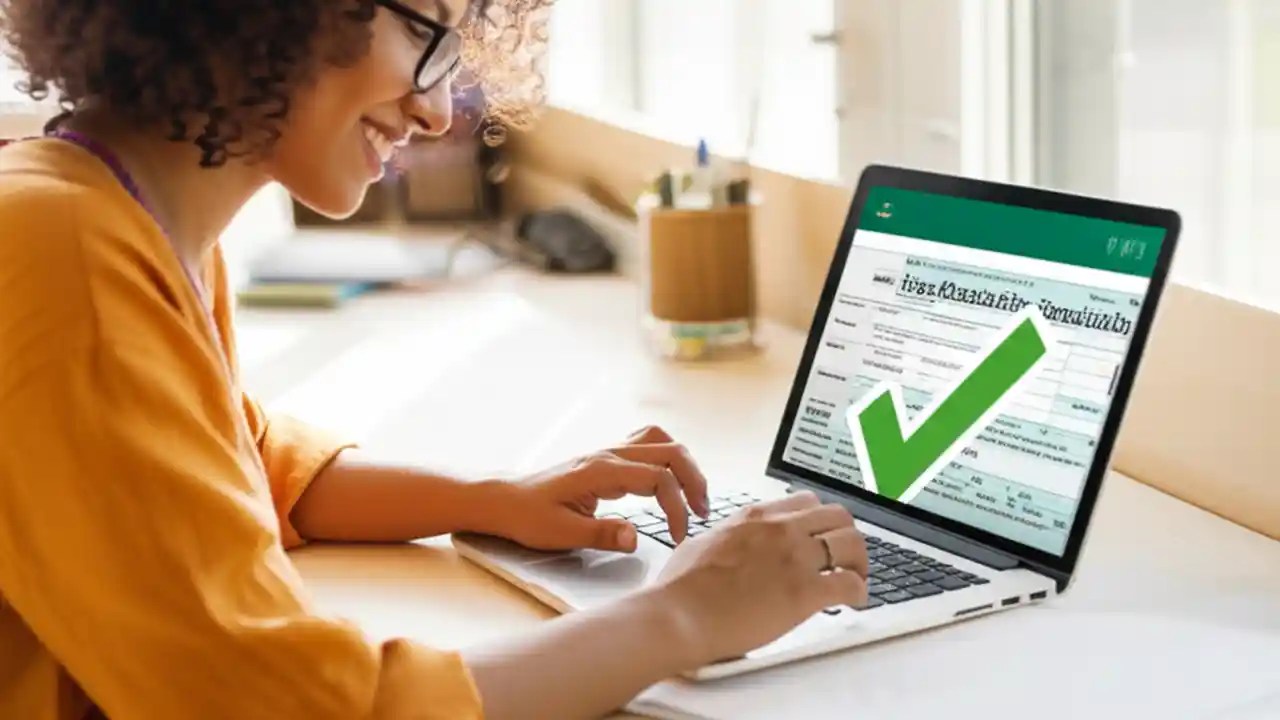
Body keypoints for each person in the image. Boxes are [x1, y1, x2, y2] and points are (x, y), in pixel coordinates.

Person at [0, 1, 870, 718]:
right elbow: (272, 704)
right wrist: (681, 616)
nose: (439, 113)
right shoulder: (65, 253)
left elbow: (226, 458)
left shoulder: (113, 212)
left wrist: (489, 498)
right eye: (426, 35)